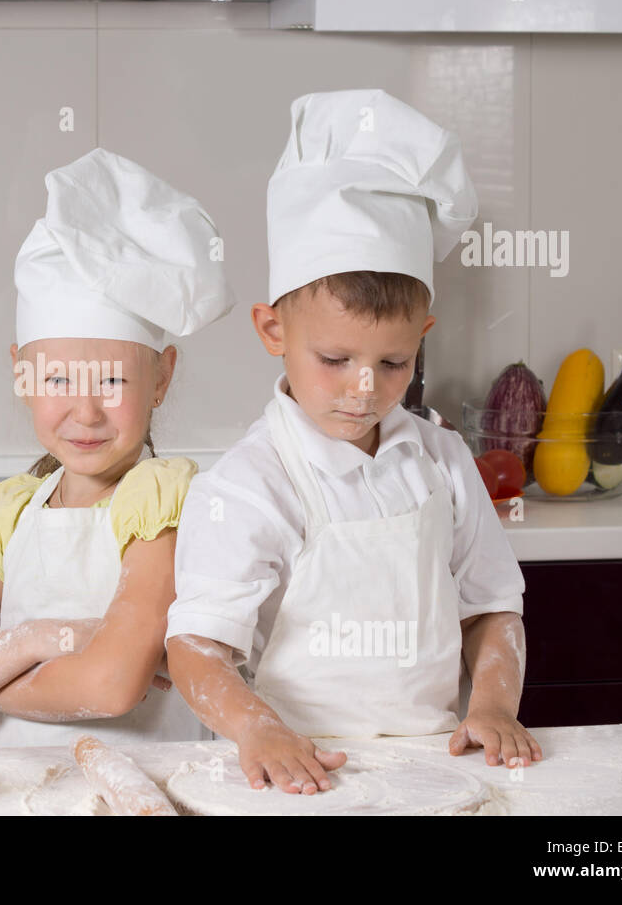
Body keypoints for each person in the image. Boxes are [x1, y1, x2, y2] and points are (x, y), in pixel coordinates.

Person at [166, 89, 541, 794]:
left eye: (393, 363)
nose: (364, 388)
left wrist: (490, 705)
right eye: (335, 360)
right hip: (297, 775)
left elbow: (493, 607)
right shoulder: (250, 483)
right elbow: (196, 649)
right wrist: (257, 728)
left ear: (421, 340)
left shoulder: (442, 459)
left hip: (436, 769)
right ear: (273, 332)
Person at [0, 148, 235, 747]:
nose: (85, 412)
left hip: (146, 790)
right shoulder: (7, 512)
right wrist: (40, 638)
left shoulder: (159, 500)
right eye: (58, 380)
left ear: (160, 378)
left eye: (112, 381)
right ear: (22, 375)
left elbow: (110, 687)